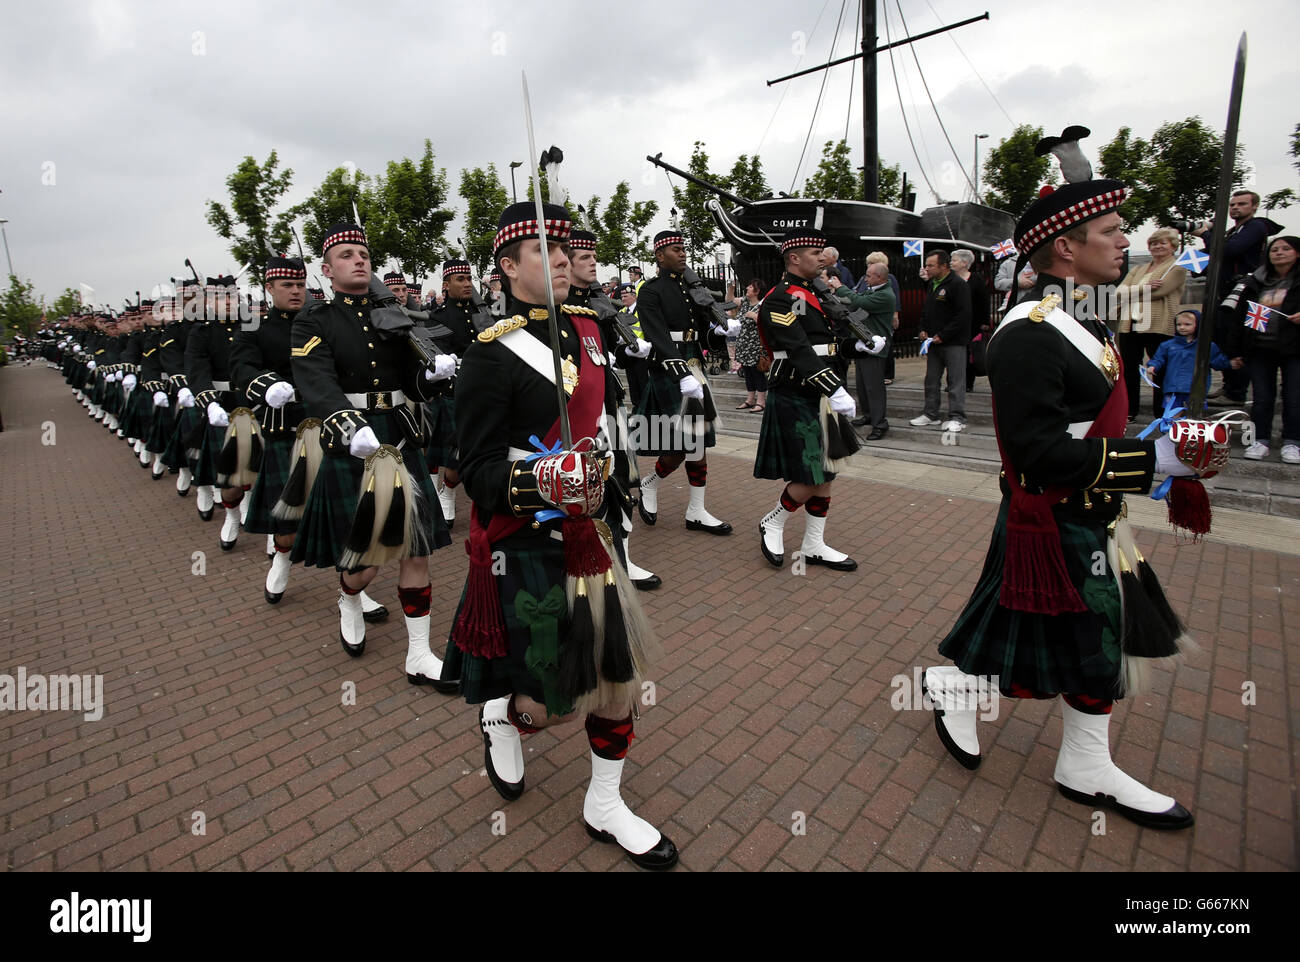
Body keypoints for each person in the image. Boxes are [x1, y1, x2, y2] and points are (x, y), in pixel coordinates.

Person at [926, 172, 1203, 831]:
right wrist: (1154, 461)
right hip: (1052, 517)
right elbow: (1038, 453)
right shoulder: (1027, 334)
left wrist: (1168, 440)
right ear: (1066, 249)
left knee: (1080, 641)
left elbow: (1092, 423)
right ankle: (1009, 719)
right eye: (1109, 233)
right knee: (1090, 642)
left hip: (1093, 511)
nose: (1123, 241)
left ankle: (1067, 754)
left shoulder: (1088, 321)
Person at [446, 201, 677, 870]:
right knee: (549, 704)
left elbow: (599, 425)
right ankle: (504, 719)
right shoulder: (490, 356)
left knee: (616, 678)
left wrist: (613, 484)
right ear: (508, 266)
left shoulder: (590, 329)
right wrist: (546, 480)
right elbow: (479, 472)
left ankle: (604, 803)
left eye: (562, 247)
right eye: (539, 250)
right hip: (525, 542)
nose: (558, 257)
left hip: (590, 534)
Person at [289, 222, 455, 683]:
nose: (358, 259)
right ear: (326, 269)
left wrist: (433, 377)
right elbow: (315, 380)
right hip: (353, 439)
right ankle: (349, 596)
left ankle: (419, 653)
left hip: (398, 435)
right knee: (361, 559)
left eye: (363, 252)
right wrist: (345, 424)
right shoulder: (314, 320)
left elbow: (410, 383)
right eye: (346, 254)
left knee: (414, 549)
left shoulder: (393, 315)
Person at [754, 228, 859, 572]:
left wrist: (854, 345)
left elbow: (823, 342)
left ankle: (814, 543)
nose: (823, 257)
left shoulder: (812, 293)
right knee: (814, 471)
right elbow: (796, 347)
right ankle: (774, 520)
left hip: (818, 391)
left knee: (827, 470)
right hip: (796, 389)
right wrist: (835, 387)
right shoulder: (780, 298)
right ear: (794, 258)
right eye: (815, 252)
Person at [633, 230, 732, 535]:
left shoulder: (692, 288)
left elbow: (702, 329)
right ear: (660, 256)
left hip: (694, 365)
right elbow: (658, 336)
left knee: (698, 440)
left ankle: (696, 510)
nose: (683, 253)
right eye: (676, 249)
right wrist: (681, 374)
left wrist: (720, 332)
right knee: (684, 442)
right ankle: (650, 484)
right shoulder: (650, 291)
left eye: (683, 248)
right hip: (670, 368)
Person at [231, 255, 310, 604]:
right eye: (287, 286)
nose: (296, 291)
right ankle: (281, 559)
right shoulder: (256, 328)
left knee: (345, 512)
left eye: (300, 285)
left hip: (327, 424)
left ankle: (352, 588)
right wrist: (265, 385)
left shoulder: (321, 323)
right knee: (287, 510)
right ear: (269, 288)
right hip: (284, 427)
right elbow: (241, 367)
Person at [1194, 189, 1283, 403]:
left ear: (1254, 207)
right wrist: (1196, 263)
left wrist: (1206, 234)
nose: (1235, 208)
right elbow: (1219, 256)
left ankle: (1237, 392)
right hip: (1227, 292)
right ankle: (1230, 386)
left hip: (1246, 293)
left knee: (1240, 340)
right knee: (1225, 339)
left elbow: (1231, 250)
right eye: (1233, 204)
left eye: (1241, 204)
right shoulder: (1234, 231)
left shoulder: (1256, 226)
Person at [1226, 235, 1300, 464]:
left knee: (1294, 397)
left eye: (1285, 249)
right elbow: (1241, 318)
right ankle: (1260, 440)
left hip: (1295, 348)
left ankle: (1292, 443)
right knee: (1262, 398)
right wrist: (1235, 351)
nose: (1278, 252)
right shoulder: (1256, 281)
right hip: (1260, 347)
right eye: (1274, 249)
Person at [1114, 228, 1186, 420]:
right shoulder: (1138, 269)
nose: (1157, 246)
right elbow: (1119, 291)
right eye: (1154, 243)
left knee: (1160, 369)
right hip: (1131, 323)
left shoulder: (1177, 268)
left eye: (1163, 243)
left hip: (1158, 324)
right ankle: (1129, 410)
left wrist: (1134, 290)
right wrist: (1144, 287)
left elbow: (1160, 292)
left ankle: (1161, 412)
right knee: (1129, 368)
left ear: (1172, 246)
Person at [829, 262, 894, 440]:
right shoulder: (873, 290)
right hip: (862, 344)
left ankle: (879, 423)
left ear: (880, 277)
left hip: (874, 347)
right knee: (862, 385)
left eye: (869, 276)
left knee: (874, 387)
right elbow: (853, 302)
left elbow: (859, 301)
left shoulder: (885, 295)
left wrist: (840, 287)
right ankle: (868, 415)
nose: (866, 278)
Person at [910, 249, 971, 433]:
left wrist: (943, 335)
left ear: (943, 266)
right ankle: (931, 414)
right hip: (933, 342)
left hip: (953, 342)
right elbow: (926, 311)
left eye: (931, 265)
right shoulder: (932, 284)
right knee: (931, 379)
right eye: (926, 265)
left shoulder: (958, 285)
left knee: (955, 381)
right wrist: (922, 329)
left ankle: (957, 417)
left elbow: (963, 315)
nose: (926, 269)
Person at [1146, 309, 1232, 414]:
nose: (1182, 327)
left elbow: (1217, 362)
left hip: (1195, 389)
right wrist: (1153, 366)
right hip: (1173, 388)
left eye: (1187, 324)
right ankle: (1172, 430)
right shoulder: (1168, 345)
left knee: (1194, 416)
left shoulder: (1206, 345)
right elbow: (1158, 358)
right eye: (1179, 324)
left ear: (1198, 325)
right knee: (1172, 415)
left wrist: (1230, 363)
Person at [950, 249, 990, 393]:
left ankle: (968, 382)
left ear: (964, 263)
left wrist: (985, 321)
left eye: (954, 260)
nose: (951, 262)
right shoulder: (949, 279)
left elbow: (983, 301)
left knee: (969, 353)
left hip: (972, 323)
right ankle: (952, 382)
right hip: (953, 322)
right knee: (953, 353)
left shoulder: (976, 280)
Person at [732, 279, 767, 413]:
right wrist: (730, 289)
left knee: (757, 371)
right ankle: (750, 399)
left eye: (751, 287)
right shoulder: (745, 302)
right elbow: (730, 300)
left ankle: (761, 401)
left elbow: (767, 322)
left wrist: (755, 316)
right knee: (747, 372)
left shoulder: (763, 304)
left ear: (757, 291)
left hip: (756, 344)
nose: (747, 288)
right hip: (743, 343)